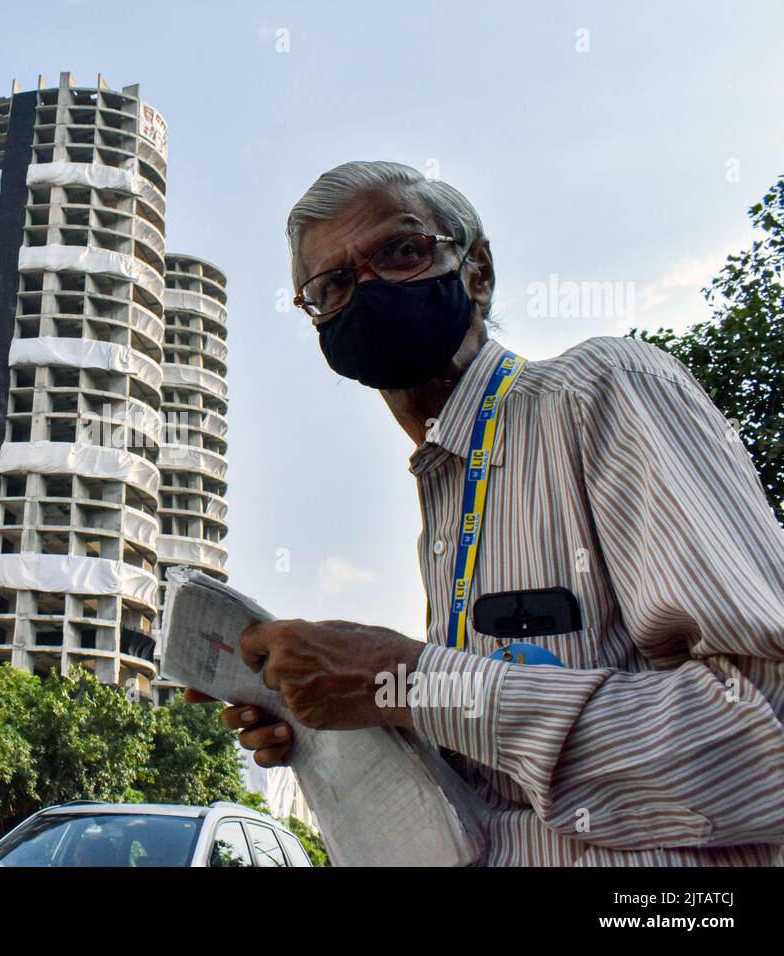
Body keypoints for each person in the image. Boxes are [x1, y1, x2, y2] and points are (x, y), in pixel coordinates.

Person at [191, 160, 784, 866]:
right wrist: (345, 722)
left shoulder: (601, 392)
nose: (366, 288)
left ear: (477, 270)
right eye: (333, 285)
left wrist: (410, 681)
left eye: (400, 251)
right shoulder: (445, 500)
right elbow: (505, 793)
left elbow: (767, 728)